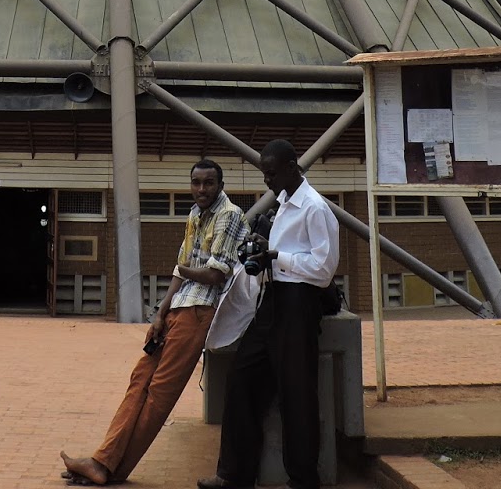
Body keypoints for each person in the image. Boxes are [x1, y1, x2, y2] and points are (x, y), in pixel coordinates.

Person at [60, 159, 248, 486]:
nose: (201, 189)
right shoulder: (194, 214)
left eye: (208, 183)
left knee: (159, 394)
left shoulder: (229, 215)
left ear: (220, 184)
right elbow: (183, 267)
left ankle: (112, 469)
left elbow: (215, 274)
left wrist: (187, 268)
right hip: (177, 309)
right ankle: (102, 460)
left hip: (200, 311)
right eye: (196, 183)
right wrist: (161, 309)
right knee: (139, 381)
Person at [199, 139, 340, 489]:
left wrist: (277, 257)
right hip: (274, 300)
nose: (268, 181)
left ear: (293, 167)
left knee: (297, 392)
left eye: (272, 173)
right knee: (242, 376)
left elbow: (324, 269)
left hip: (301, 304)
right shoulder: (282, 205)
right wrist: (265, 256)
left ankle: (303, 480)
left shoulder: (314, 208)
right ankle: (234, 474)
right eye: (265, 174)